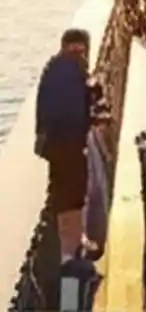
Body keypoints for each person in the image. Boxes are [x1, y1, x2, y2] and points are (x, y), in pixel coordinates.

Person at [36, 29, 94, 269]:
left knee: (61, 196)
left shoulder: (52, 68)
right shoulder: (75, 70)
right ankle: (71, 253)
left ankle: (67, 250)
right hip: (70, 143)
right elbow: (78, 110)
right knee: (74, 198)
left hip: (53, 145)